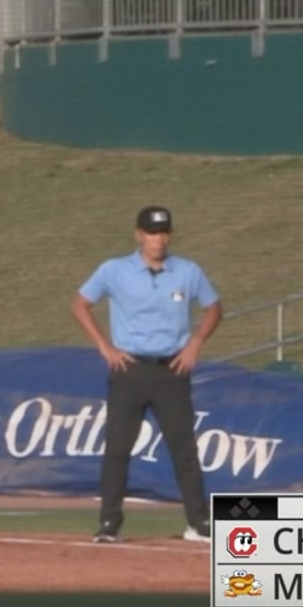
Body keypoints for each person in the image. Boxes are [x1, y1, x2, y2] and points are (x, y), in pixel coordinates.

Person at [69, 205, 222, 545]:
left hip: (171, 369)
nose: (158, 239)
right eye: (152, 233)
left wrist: (196, 342)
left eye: (164, 232)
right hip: (130, 369)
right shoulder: (114, 270)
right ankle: (109, 523)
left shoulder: (187, 271)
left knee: (183, 448)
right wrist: (104, 346)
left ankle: (199, 522)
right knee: (118, 447)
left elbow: (214, 307)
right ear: (139, 235)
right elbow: (80, 303)